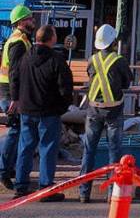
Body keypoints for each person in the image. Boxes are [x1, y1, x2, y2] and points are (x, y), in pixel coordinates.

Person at [11, 24, 73, 201]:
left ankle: (21, 186)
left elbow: (14, 77)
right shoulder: (56, 59)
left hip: (27, 110)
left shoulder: (25, 57)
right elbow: (65, 87)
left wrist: (17, 99)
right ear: (51, 38)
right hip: (49, 112)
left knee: (25, 148)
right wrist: (63, 107)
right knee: (48, 149)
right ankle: (45, 188)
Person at [79, 23, 132, 204]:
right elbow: (127, 82)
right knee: (114, 152)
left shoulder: (92, 59)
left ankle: (84, 192)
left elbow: (90, 75)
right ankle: (112, 193)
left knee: (89, 151)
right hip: (114, 111)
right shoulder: (119, 60)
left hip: (94, 110)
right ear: (113, 41)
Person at [0, 5, 35, 190]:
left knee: (17, 131)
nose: (33, 21)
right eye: (29, 18)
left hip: (11, 92)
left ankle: (8, 168)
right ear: (21, 22)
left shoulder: (21, 40)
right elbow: (14, 72)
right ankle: (3, 171)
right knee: (15, 132)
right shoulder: (18, 42)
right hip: (11, 93)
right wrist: (16, 98)